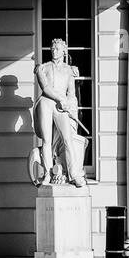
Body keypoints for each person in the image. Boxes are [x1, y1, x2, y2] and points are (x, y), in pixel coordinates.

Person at [33, 38, 86, 187]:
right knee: (47, 141)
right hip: (46, 103)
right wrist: (60, 98)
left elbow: (71, 92)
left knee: (68, 140)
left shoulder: (69, 70)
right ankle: (48, 174)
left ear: (64, 51)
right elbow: (45, 88)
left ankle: (74, 174)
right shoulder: (43, 68)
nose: (54, 51)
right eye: (52, 48)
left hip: (61, 107)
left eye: (57, 49)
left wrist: (68, 103)